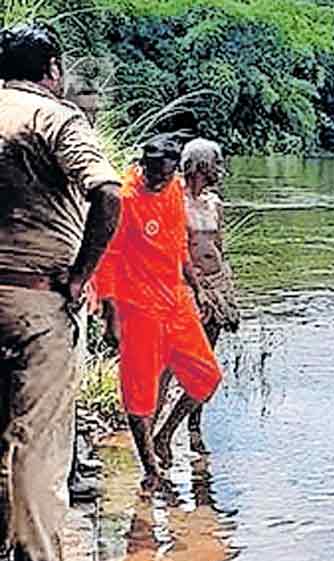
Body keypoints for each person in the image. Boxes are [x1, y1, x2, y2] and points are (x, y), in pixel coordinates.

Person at [0, 24, 122, 561]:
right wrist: (80, 278)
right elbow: (107, 194)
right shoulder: (55, 118)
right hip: (37, 302)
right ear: (51, 68)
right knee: (37, 443)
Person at [95, 134, 223, 493]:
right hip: (138, 309)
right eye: (155, 174)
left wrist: (195, 285)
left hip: (175, 302)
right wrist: (110, 315)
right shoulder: (125, 198)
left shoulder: (171, 190)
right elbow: (108, 259)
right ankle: (150, 467)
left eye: (168, 175)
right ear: (145, 165)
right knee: (140, 390)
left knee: (207, 376)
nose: (161, 182)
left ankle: (166, 433)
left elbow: (177, 241)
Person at [152, 139, 240, 464]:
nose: (219, 172)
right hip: (186, 290)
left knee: (205, 363)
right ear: (202, 166)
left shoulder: (214, 203)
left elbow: (218, 249)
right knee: (171, 367)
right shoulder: (173, 200)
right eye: (215, 165)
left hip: (215, 288)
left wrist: (224, 292)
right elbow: (170, 252)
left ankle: (193, 428)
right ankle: (154, 437)